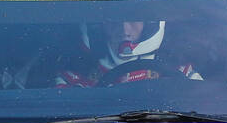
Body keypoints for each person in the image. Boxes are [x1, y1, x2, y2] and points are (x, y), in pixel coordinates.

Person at [54, 19, 201, 87]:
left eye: (133, 20)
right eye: (114, 21)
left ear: (150, 24)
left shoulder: (180, 71)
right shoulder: (75, 77)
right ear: (99, 28)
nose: (125, 31)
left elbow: (203, 105)